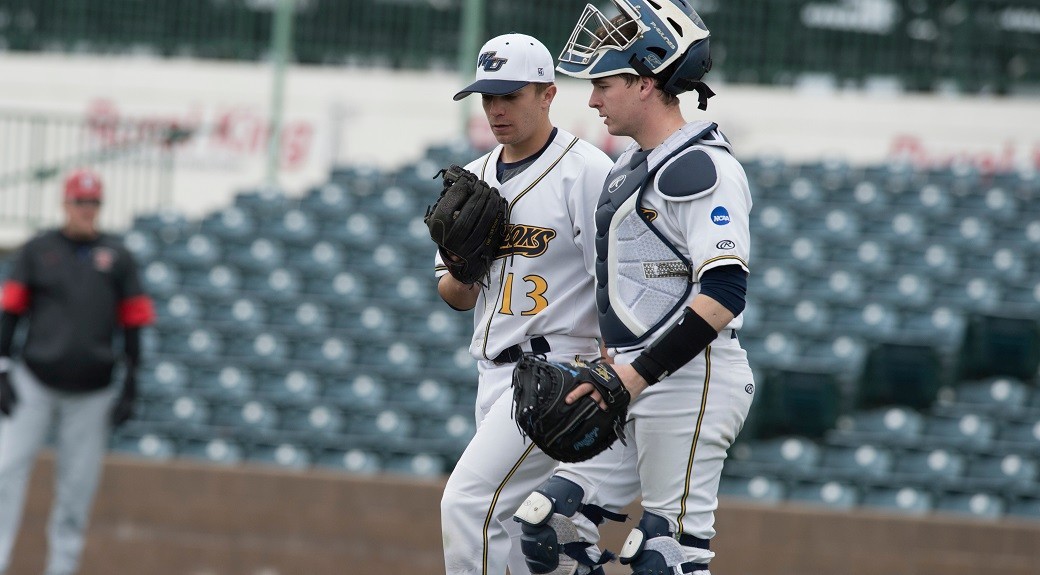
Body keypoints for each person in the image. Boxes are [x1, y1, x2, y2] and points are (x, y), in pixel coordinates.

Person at [513, 2, 755, 574]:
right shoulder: (631, 165)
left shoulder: (703, 167)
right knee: (550, 520)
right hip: (630, 380)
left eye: (604, 83)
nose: (593, 99)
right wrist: (613, 368)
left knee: (668, 557)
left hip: (690, 379)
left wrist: (632, 374)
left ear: (646, 83)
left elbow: (724, 292)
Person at [438, 33, 638, 575]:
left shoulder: (586, 170)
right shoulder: (473, 178)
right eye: (487, 97)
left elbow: (615, 287)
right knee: (518, 540)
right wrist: (463, 265)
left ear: (547, 94)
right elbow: (454, 296)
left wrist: (605, 375)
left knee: (467, 506)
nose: (496, 109)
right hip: (491, 373)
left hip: (556, 373)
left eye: (510, 95)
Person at [0, 168, 155, 575]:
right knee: (4, 472)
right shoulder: (38, 250)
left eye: (94, 203)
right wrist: (1, 368)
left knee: (76, 491)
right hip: (34, 382)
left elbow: (135, 322)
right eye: (80, 202)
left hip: (92, 391)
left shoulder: (118, 257)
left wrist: (132, 385)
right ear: (65, 203)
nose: (87, 210)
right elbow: (10, 311)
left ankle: (61, 570)